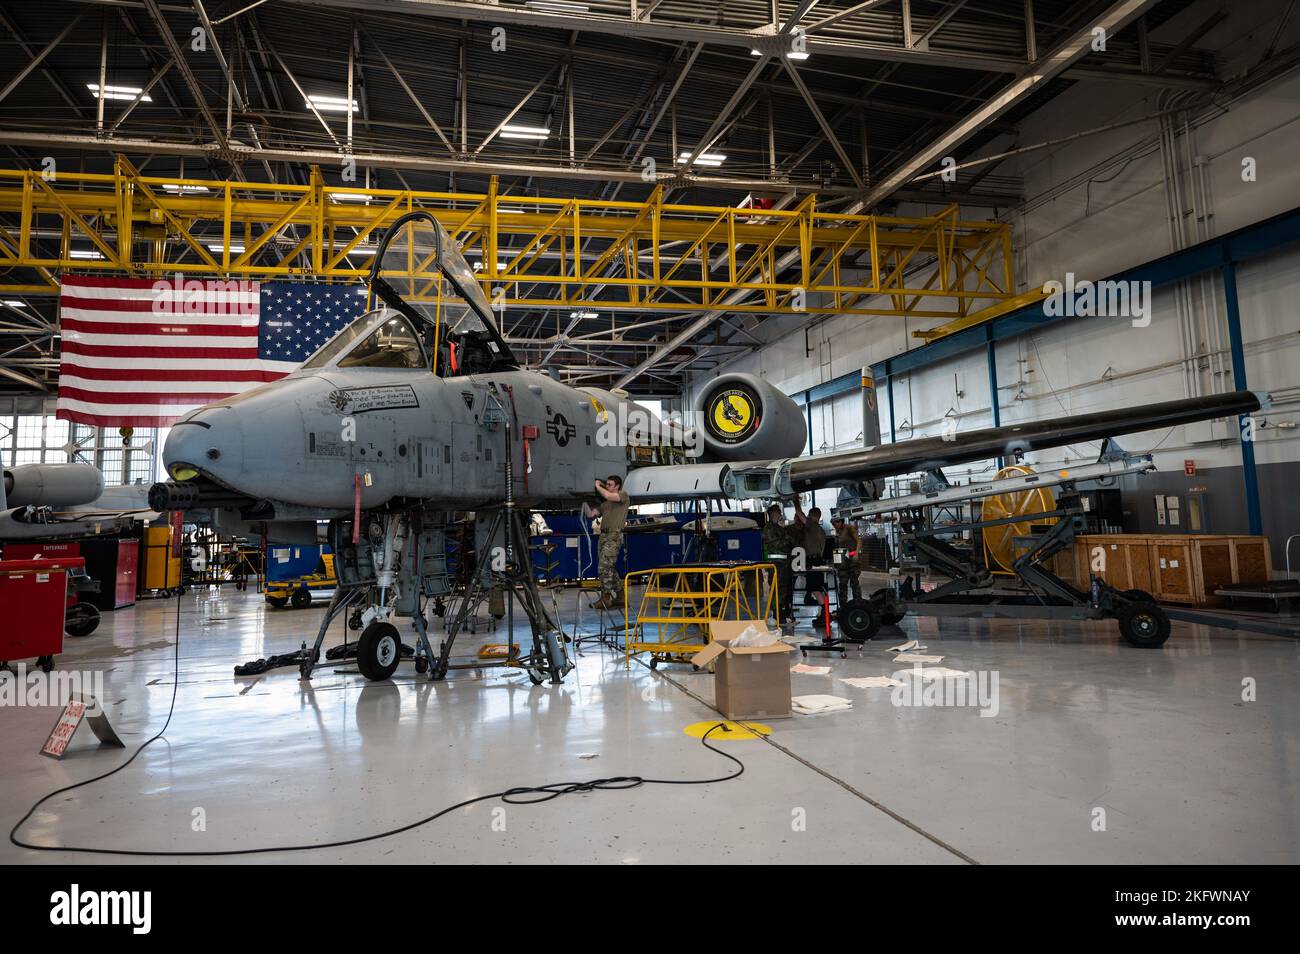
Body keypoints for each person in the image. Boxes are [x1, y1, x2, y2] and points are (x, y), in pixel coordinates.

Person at [584, 475, 629, 610]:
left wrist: (598, 486)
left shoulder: (623, 496)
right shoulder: (606, 504)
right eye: (606, 484)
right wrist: (584, 502)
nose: (607, 486)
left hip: (614, 535)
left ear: (617, 486)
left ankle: (606, 598)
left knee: (604, 567)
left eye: (610, 485)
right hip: (603, 536)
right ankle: (621, 596)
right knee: (608, 567)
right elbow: (591, 514)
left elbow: (609, 496)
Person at [762, 503, 795, 623]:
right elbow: (778, 544)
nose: (779, 514)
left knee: (784, 589)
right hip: (775, 564)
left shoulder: (780, 528)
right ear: (771, 514)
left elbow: (791, 541)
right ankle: (776, 611)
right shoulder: (768, 528)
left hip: (784, 563)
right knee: (776, 588)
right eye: (777, 512)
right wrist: (786, 540)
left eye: (779, 512)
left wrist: (786, 540)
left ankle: (782, 611)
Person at [794, 501, 828, 604]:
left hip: (813, 561)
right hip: (818, 560)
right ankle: (823, 613)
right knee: (817, 588)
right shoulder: (820, 530)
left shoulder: (812, 525)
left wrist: (795, 500)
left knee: (815, 589)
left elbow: (799, 513)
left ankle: (824, 613)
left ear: (811, 516)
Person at [831, 515, 862, 601]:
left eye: (835, 523)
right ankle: (843, 605)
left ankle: (858, 603)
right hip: (843, 560)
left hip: (852, 559)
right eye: (833, 524)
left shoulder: (849, 528)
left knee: (854, 582)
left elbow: (859, 540)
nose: (834, 525)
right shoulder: (837, 531)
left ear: (840, 521)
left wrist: (856, 553)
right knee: (842, 583)